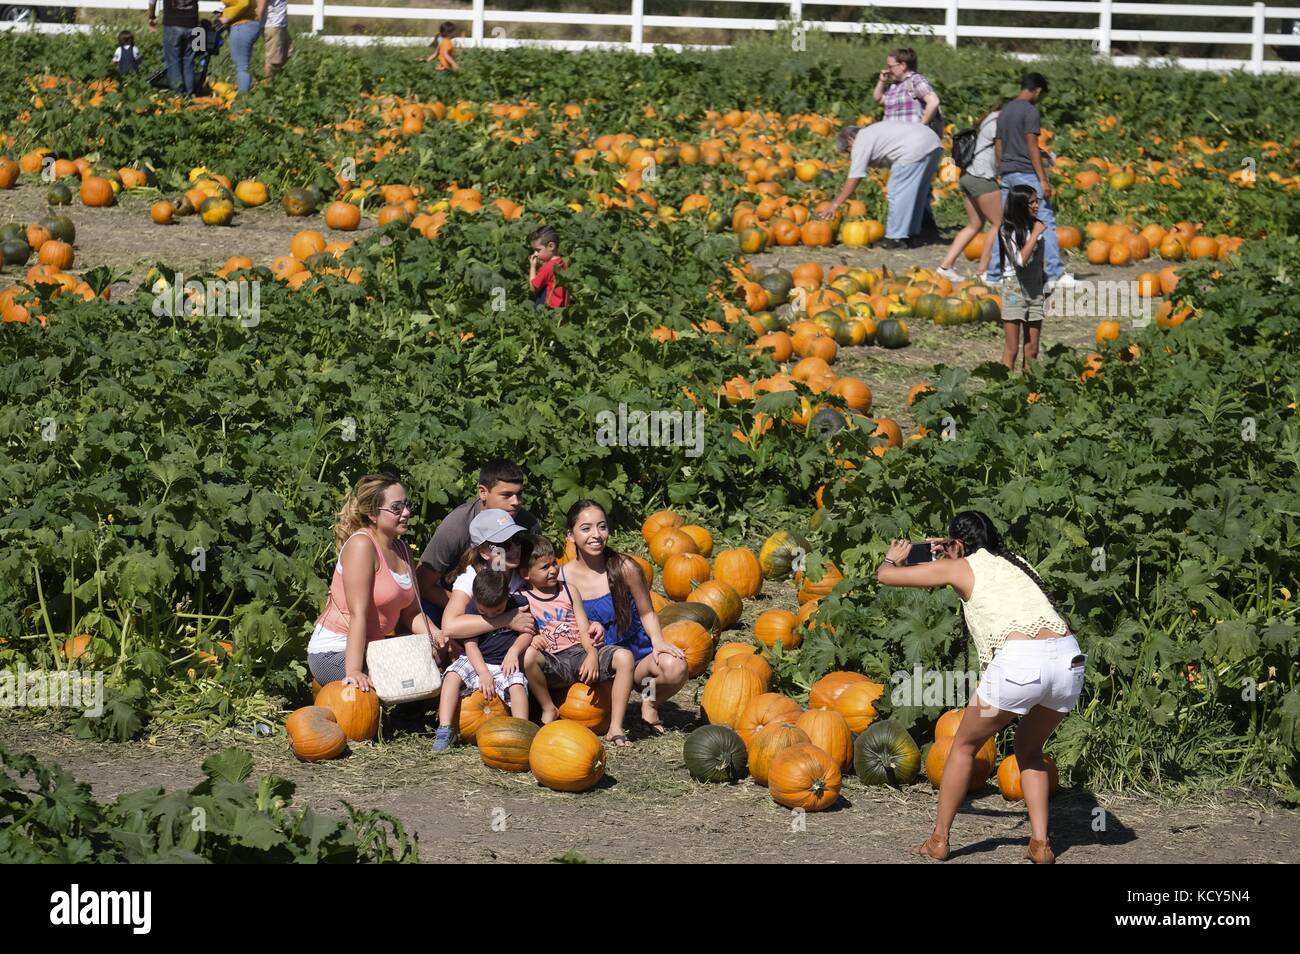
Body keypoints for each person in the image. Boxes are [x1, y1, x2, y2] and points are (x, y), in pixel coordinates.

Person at [876, 511, 1084, 864]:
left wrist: (893, 558)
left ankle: (939, 840)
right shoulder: (1016, 561)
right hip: (1068, 662)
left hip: (1020, 665)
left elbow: (887, 577)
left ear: (956, 544)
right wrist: (946, 546)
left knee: (963, 746)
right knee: (1029, 749)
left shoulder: (959, 567)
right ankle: (1040, 844)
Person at [561, 500, 687, 734]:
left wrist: (658, 641)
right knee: (590, 712)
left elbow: (647, 612)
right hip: (598, 664)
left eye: (602, 527)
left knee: (674, 666)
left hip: (637, 661)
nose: (596, 535)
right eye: (586, 528)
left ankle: (649, 702)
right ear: (570, 535)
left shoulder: (625, 568)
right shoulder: (562, 579)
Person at [306, 473, 440, 691]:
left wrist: (436, 636)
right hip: (336, 650)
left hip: (374, 648)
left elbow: (412, 612)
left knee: (429, 669)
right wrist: (354, 671)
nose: (406, 513)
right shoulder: (362, 545)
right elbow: (358, 613)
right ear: (372, 514)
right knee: (400, 682)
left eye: (406, 505)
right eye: (396, 508)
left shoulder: (403, 550)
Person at [518, 535, 636, 746]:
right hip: (555, 663)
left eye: (554, 563)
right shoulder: (521, 598)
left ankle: (616, 726)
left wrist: (591, 654)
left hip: (580, 653)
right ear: (526, 574)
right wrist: (532, 639)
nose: (553, 570)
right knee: (529, 657)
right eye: (544, 567)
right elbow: (520, 630)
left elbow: (583, 628)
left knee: (625, 657)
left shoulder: (569, 590)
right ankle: (548, 707)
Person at [415, 459, 540, 627]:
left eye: (519, 494)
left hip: (506, 600)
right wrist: (479, 610)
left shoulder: (526, 524)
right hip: (450, 599)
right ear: (483, 492)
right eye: (507, 495)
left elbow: (535, 574)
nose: (516, 502)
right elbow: (422, 583)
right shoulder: (457, 527)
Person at [984, 73, 1075, 288]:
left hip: (1007, 172)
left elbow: (998, 143)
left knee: (1007, 223)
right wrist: (1043, 179)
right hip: (1027, 173)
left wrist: (1002, 167)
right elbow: (1032, 146)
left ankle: (994, 274)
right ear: (1038, 91)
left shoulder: (1005, 111)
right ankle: (1055, 274)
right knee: (1044, 221)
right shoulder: (1030, 111)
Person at [432, 569, 532, 752]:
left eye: (499, 611)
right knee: (452, 676)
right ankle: (445, 729)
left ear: (507, 595)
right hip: (476, 659)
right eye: (484, 612)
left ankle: (521, 734)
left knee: (517, 687)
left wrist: (514, 651)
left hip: (505, 662)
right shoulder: (470, 608)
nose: (493, 616)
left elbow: (528, 632)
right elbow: (470, 645)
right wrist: (483, 673)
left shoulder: (519, 604)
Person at [821, 121, 942, 249]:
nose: (850, 155)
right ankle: (911, 234)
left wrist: (835, 205)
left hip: (915, 148)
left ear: (850, 140)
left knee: (897, 192)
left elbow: (854, 178)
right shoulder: (872, 132)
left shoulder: (861, 141)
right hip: (933, 143)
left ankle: (895, 238)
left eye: (848, 151)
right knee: (916, 194)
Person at [936, 94, 1011, 283]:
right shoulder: (998, 123)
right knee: (999, 223)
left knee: (974, 224)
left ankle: (945, 266)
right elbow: (1002, 151)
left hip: (968, 176)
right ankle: (984, 271)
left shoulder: (989, 119)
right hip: (982, 178)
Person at [873, 47, 943, 241]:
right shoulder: (895, 85)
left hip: (913, 143)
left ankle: (905, 232)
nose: (888, 69)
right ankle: (922, 228)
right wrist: (882, 79)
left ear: (903, 65)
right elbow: (878, 98)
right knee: (914, 187)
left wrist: (921, 127)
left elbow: (933, 101)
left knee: (904, 187)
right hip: (898, 144)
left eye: (891, 66)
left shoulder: (915, 81)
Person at [996, 185, 1048, 371]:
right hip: (1014, 290)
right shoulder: (1007, 231)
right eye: (1031, 202)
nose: (1036, 205)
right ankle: (1003, 389)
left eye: (1037, 201)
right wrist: (1035, 234)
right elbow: (1020, 260)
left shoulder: (1035, 226)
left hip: (1035, 289)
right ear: (1019, 206)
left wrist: (1045, 284)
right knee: (1012, 349)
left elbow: (1038, 264)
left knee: (1032, 348)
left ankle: (1030, 392)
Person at [147, 0, 200, 95]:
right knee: (189, 60)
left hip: (173, 23)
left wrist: (151, 15)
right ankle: (190, 94)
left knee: (174, 61)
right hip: (192, 23)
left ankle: (178, 95)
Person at [220, 0, 266, 94]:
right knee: (243, 64)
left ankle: (242, 98)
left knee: (242, 66)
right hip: (249, 23)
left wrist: (226, 17)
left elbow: (243, 3)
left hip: (242, 25)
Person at [528, 225, 568, 310]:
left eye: (538, 250)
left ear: (551, 246)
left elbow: (533, 288)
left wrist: (532, 267)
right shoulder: (562, 262)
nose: (535, 254)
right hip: (561, 308)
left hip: (547, 307)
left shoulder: (548, 267)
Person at [262, 0, 292, 82]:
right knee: (273, 59)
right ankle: (267, 84)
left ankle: (275, 78)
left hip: (281, 25)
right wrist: (258, 21)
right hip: (272, 24)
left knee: (289, 51)